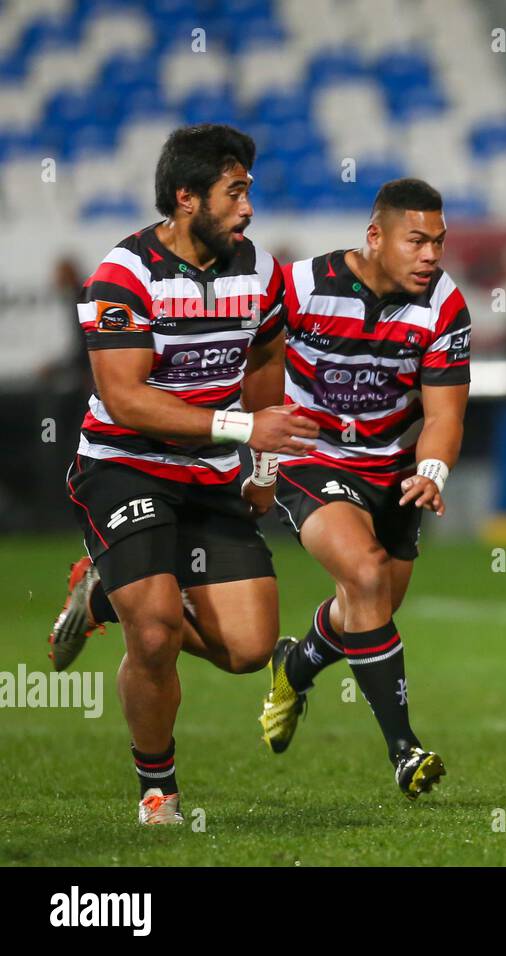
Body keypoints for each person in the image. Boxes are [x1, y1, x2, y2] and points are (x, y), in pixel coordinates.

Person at [48, 124, 318, 823]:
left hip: (207, 472)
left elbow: (263, 364)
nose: (248, 208)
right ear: (186, 198)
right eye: (235, 193)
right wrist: (241, 430)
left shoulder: (259, 271)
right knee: (159, 632)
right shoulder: (124, 273)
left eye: (249, 191)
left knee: (249, 649)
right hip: (122, 468)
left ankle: (104, 594)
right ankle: (157, 791)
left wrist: (263, 466)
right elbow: (124, 397)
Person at [256, 179, 471, 800]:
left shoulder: (444, 306)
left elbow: (444, 416)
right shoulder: (299, 288)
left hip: (396, 468)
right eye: (417, 241)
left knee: (368, 607)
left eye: (439, 241)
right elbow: (259, 370)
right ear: (374, 237)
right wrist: (262, 460)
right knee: (368, 578)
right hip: (312, 456)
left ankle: (293, 667)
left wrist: (432, 471)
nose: (431, 255)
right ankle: (405, 751)